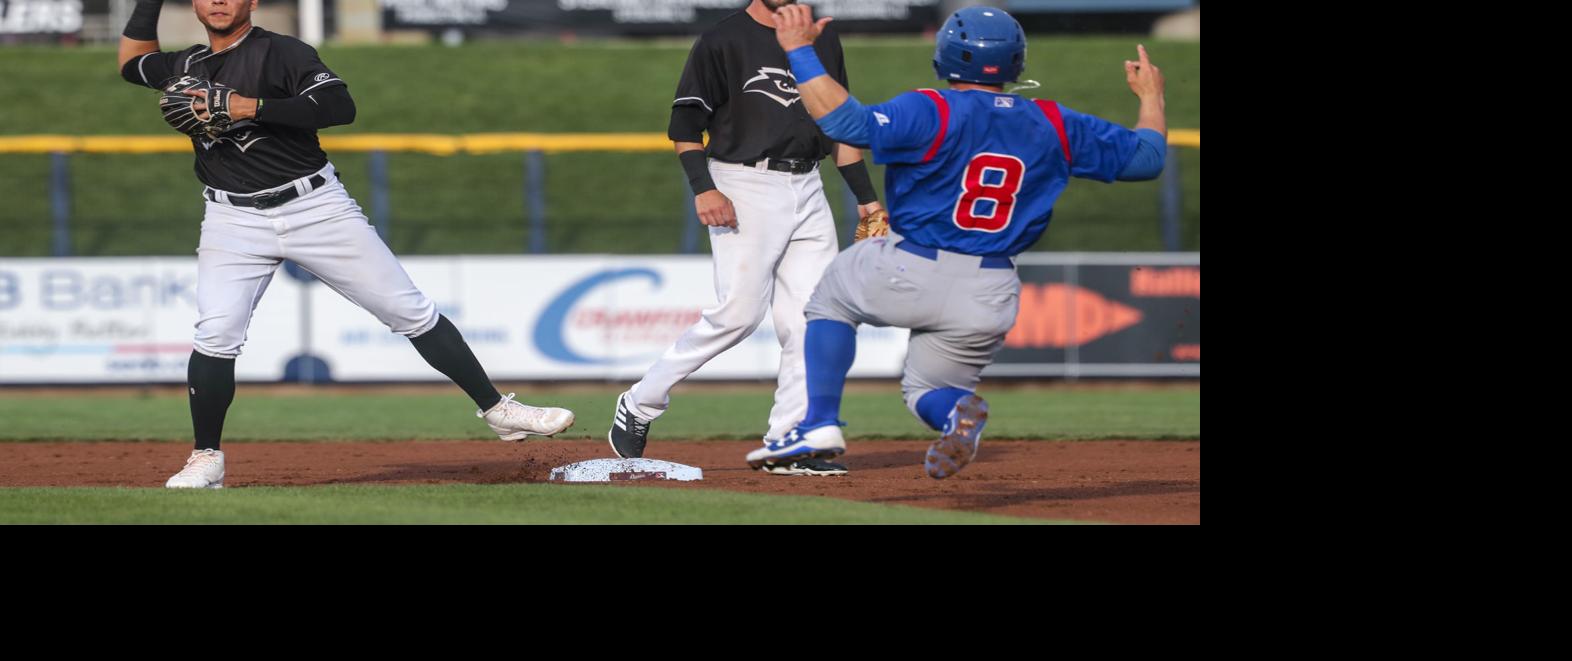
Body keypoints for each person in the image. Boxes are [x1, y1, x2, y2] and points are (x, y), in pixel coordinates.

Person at [118, 0, 574, 490]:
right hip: (232, 217)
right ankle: (206, 458)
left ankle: (498, 410)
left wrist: (250, 106)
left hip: (314, 207)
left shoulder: (283, 52)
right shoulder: (184, 65)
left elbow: (339, 107)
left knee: (411, 312)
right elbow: (131, 62)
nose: (220, 1)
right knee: (215, 335)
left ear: (251, 2)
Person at [747, 4, 1167, 478]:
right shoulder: (1056, 122)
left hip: (912, 266)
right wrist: (1151, 97)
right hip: (989, 290)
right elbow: (1147, 159)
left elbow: (849, 126)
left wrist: (800, 50)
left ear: (945, 56)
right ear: (1016, 63)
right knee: (926, 390)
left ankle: (819, 422)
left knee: (830, 300)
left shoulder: (930, 107)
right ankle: (956, 414)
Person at [608, 0, 883, 477]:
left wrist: (867, 198)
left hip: (808, 183)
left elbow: (840, 124)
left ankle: (789, 441)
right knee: (737, 314)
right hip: (743, 181)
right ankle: (641, 400)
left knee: (811, 319)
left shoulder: (822, 36)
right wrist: (704, 187)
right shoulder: (723, 39)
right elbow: (685, 126)